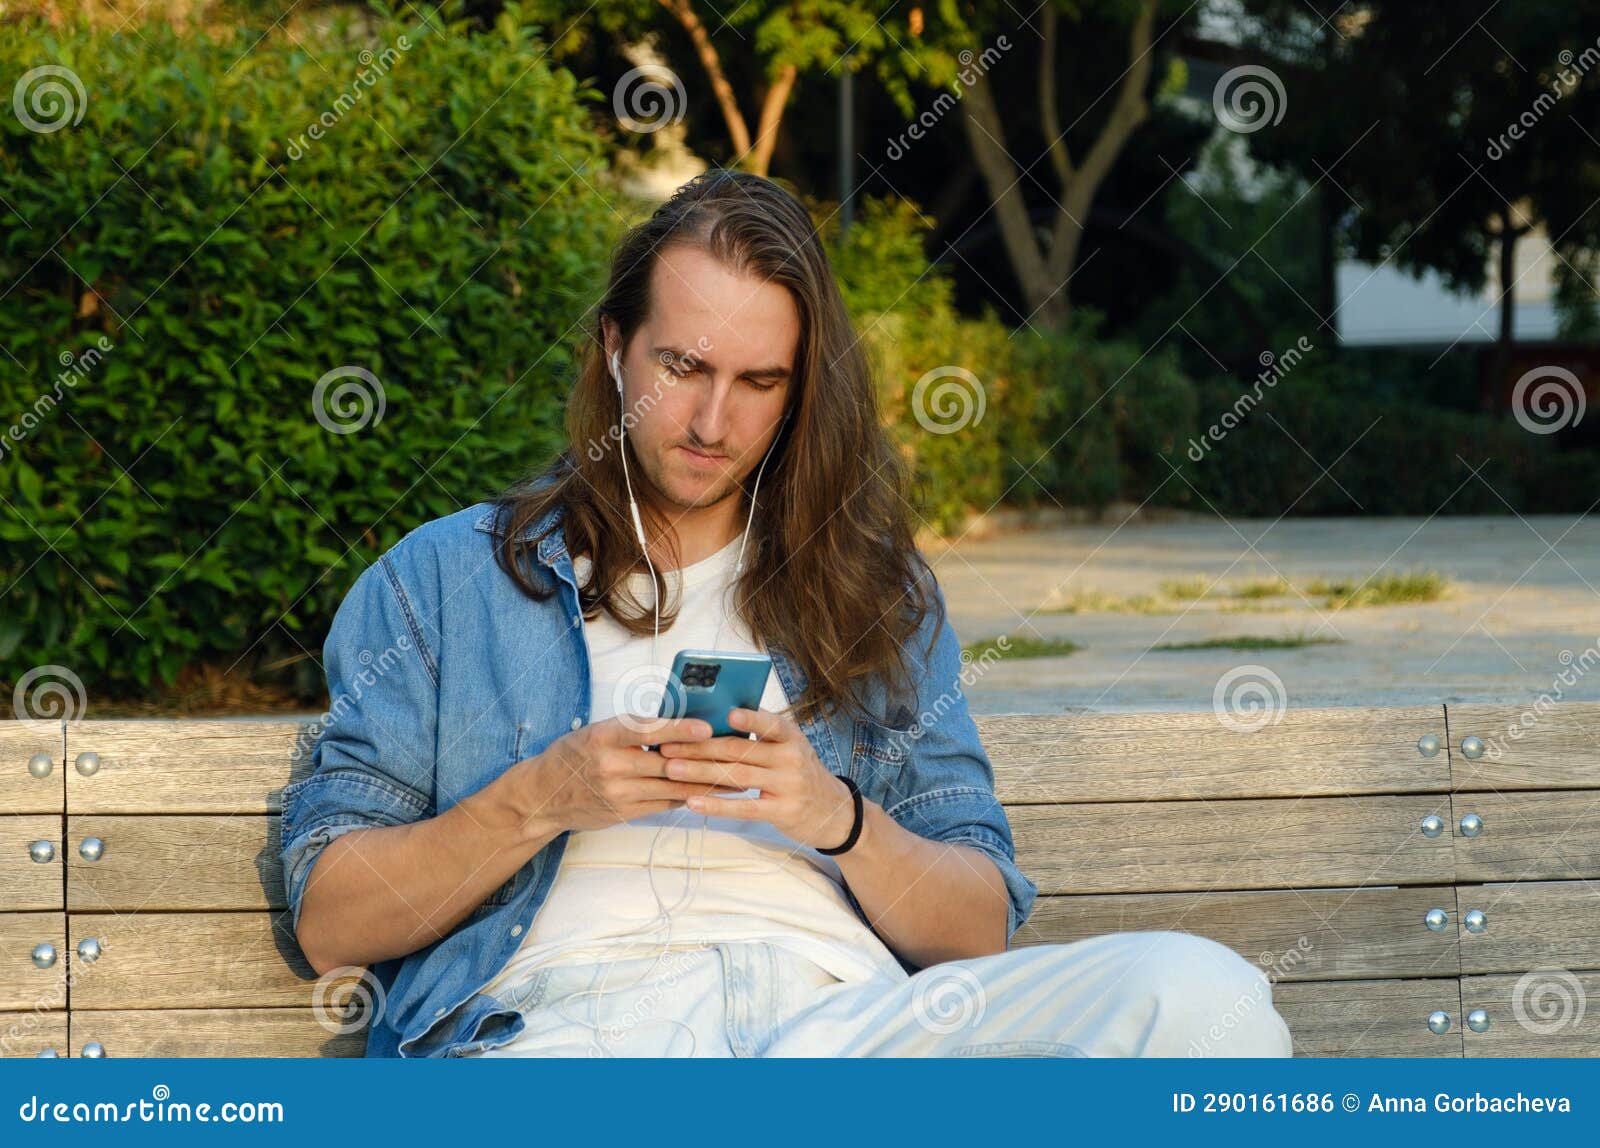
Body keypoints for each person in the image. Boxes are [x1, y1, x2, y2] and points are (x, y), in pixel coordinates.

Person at [279, 168, 1294, 1059]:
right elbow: (332, 919)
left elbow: (977, 923)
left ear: (799, 390)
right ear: (614, 350)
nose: (714, 422)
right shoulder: (448, 580)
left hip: (846, 1033)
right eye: (683, 368)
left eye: (758, 381)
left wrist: (835, 817)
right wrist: (541, 794)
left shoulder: (873, 593)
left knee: (1204, 998)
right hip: (575, 1029)